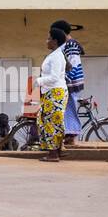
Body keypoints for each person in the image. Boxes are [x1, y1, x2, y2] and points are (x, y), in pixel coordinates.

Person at [37, 26, 69, 162]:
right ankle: (57, 150)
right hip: (51, 92)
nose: (46, 41)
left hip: (55, 92)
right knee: (45, 121)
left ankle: (53, 154)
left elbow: (55, 77)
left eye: (48, 38)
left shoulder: (56, 56)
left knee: (51, 122)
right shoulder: (55, 54)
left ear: (55, 41)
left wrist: (38, 81)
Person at [52, 20, 85, 144]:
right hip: (69, 81)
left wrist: (66, 78)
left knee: (69, 108)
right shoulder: (68, 44)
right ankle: (69, 135)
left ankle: (71, 135)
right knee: (67, 109)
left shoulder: (70, 44)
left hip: (70, 82)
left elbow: (73, 64)